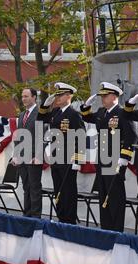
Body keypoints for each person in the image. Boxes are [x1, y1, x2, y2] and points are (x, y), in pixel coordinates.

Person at [80, 82, 137, 232]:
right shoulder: (101, 112)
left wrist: (124, 157)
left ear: (114, 96)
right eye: (102, 96)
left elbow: (131, 136)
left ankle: (117, 230)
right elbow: (87, 118)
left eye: (105, 96)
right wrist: (86, 106)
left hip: (115, 160)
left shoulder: (123, 113)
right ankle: (106, 229)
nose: (102, 99)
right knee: (103, 195)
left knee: (115, 197)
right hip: (102, 159)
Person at [37, 82, 85, 225]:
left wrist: (77, 160)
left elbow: (81, 137)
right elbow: (40, 119)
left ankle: (69, 222)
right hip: (56, 158)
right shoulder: (56, 113)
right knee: (58, 190)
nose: (57, 97)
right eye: (56, 94)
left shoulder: (74, 114)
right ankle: (61, 219)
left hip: (68, 159)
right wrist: (45, 106)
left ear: (69, 95)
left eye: (60, 94)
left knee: (68, 192)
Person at [13, 88, 43, 218]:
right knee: (26, 188)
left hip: (33, 158)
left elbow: (42, 137)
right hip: (22, 158)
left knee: (34, 188)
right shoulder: (21, 115)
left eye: (26, 96)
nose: (23, 99)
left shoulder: (40, 113)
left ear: (34, 97)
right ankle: (27, 215)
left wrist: (38, 156)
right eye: (22, 96)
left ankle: (35, 217)